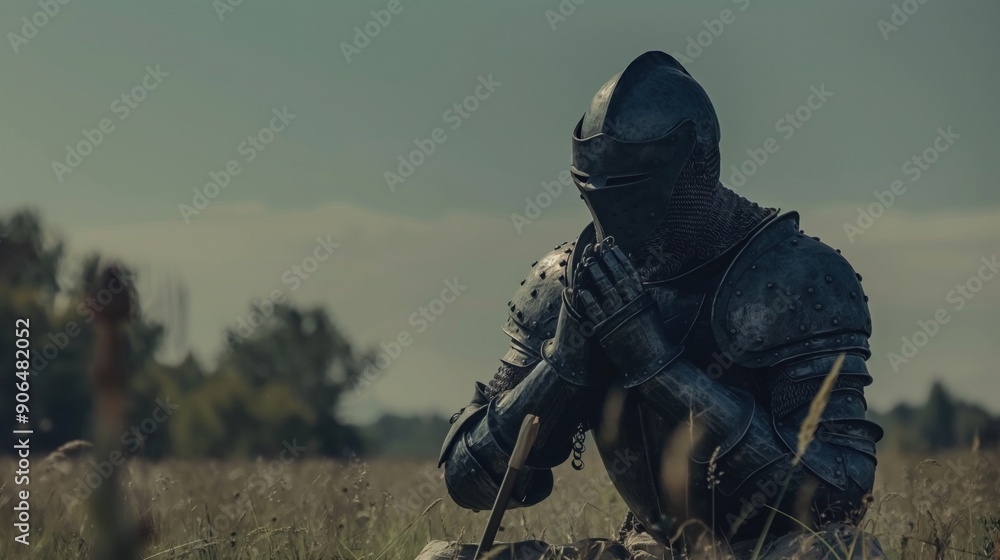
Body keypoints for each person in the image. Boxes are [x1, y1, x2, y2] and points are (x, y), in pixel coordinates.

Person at [432, 51, 884, 560]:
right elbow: (468, 481)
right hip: (647, 551)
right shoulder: (565, 282)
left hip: (767, 551)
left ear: (694, 167)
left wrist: (656, 366)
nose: (613, 212)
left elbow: (840, 493)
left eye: (629, 186)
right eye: (595, 186)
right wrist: (563, 364)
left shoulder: (793, 277)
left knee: (843, 554)